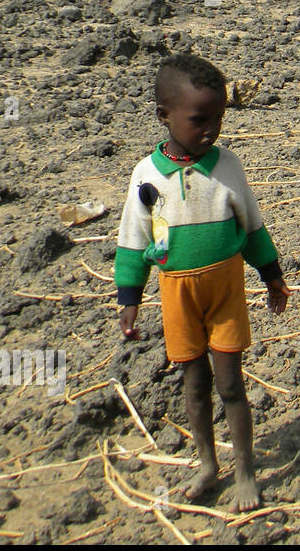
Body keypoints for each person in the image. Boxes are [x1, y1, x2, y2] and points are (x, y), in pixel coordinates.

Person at [114, 53, 289, 511]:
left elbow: (252, 226)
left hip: (225, 290)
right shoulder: (146, 175)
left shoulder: (228, 166)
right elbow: (133, 238)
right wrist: (129, 296)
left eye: (218, 118)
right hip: (178, 294)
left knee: (230, 384)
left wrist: (271, 274)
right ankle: (208, 463)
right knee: (194, 383)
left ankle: (246, 471)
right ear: (164, 115)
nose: (211, 129)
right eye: (199, 120)